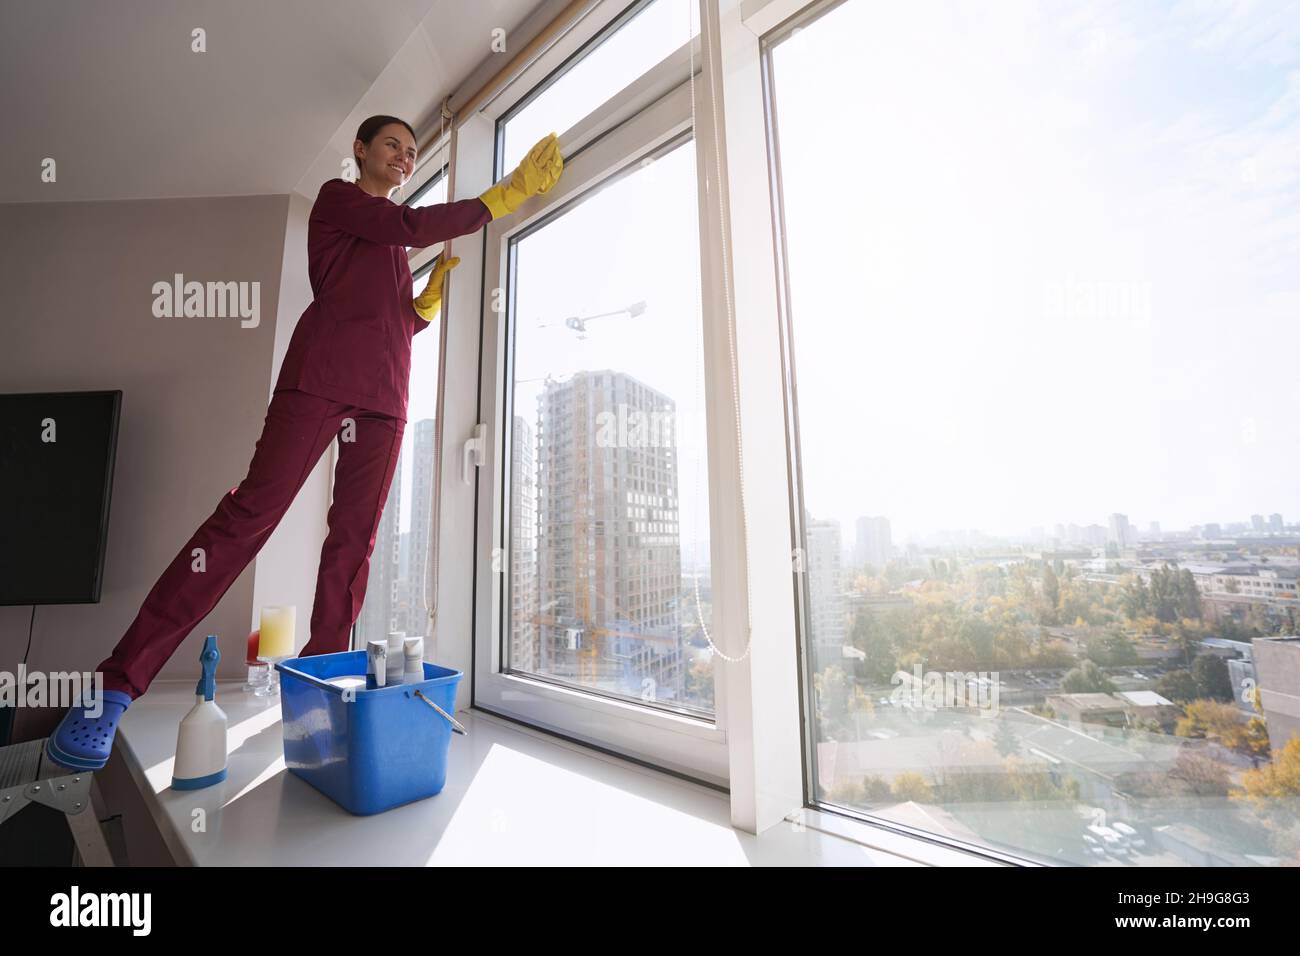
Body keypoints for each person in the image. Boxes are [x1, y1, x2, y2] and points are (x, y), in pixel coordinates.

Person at [45, 115, 563, 771]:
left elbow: (389, 322)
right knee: (245, 520)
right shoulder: (341, 201)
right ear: (361, 151)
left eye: (411, 152)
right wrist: (505, 194)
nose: (405, 159)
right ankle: (113, 686)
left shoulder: (392, 253)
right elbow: (406, 227)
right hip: (317, 382)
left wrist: (420, 309)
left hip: (385, 400)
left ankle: (315, 708)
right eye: (393, 147)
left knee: (352, 549)